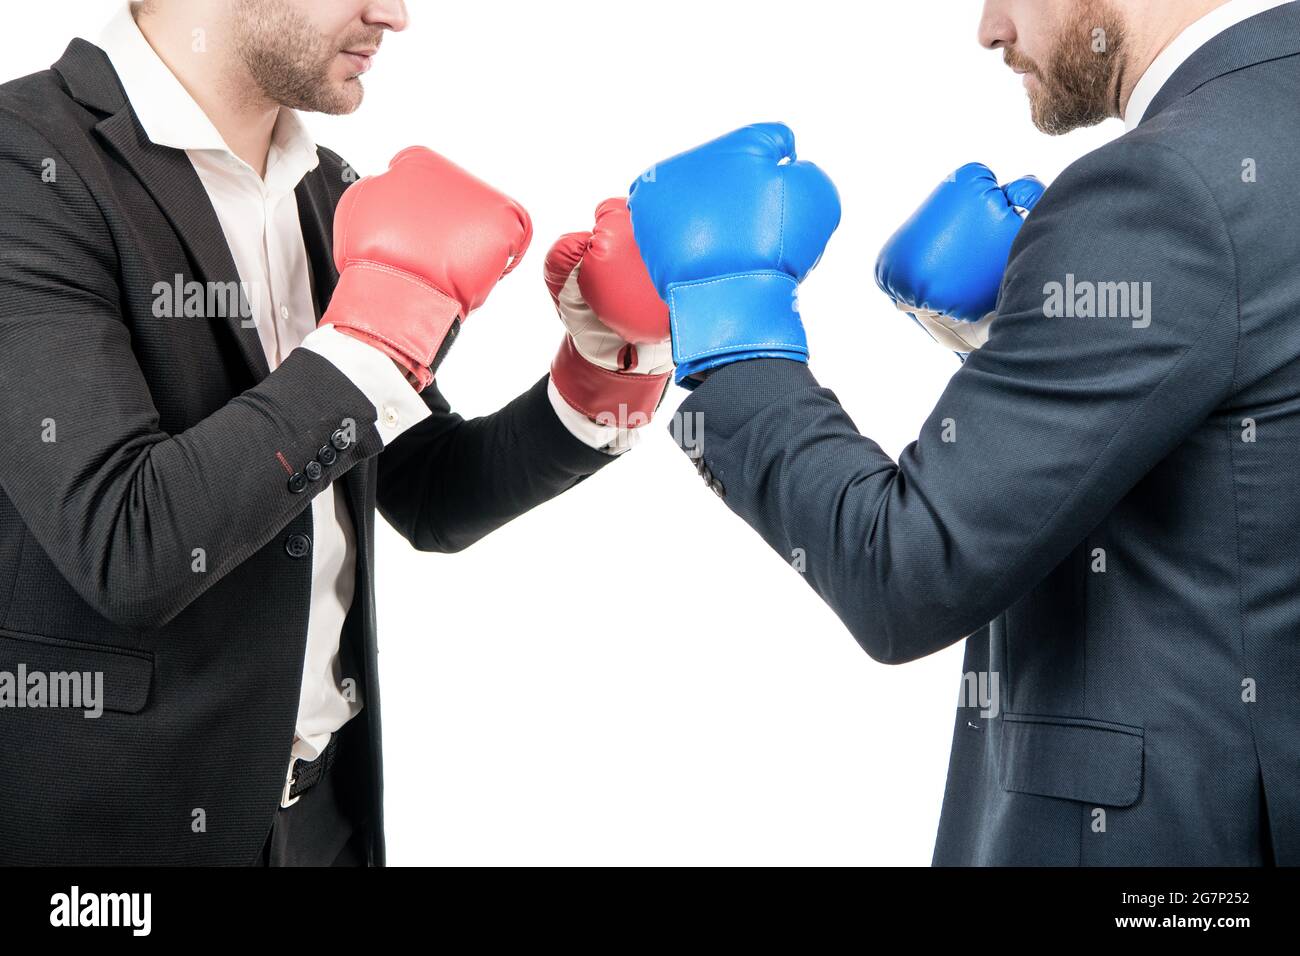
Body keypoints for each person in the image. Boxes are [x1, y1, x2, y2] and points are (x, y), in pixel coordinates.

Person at [628, 0, 1300, 865]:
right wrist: (1034, 342)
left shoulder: (1160, 187)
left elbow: (903, 573)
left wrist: (730, 319)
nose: (988, 27)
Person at [0, 0, 670, 865]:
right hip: (116, 839)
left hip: (323, 820)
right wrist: (372, 340)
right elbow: (126, 544)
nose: (393, 14)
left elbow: (427, 493)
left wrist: (601, 372)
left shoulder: (330, 190)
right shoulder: (26, 162)